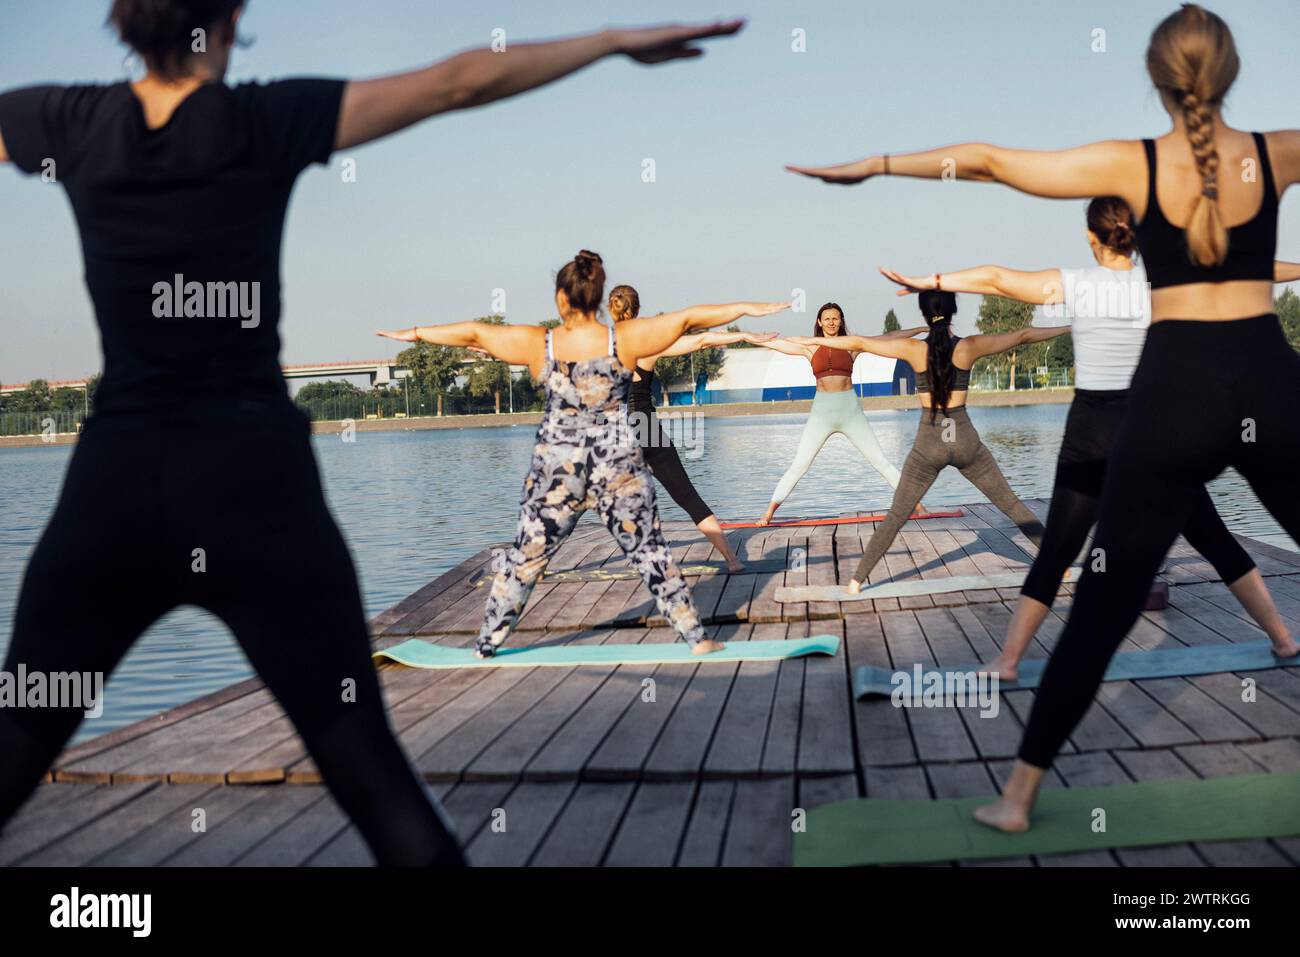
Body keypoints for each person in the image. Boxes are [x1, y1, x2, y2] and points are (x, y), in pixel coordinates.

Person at [0, 0, 744, 865]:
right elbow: (457, 80)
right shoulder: (266, 117)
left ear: (123, 19)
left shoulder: (69, 120)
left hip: (115, 486)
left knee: (19, 737)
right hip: (256, 487)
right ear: (232, 15)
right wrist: (610, 41)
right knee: (371, 771)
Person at [789, 3, 1300, 831]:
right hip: (1274, 386)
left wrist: (877, 164)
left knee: (1099, 610)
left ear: (1157, 79)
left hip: (1171, 399)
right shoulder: (1277, 152)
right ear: (1231, 74)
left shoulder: (1131, 165)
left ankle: (1020, 796)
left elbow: (990, 163)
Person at [881, 199, 1300, 678]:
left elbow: (997, 278)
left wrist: (930, 281)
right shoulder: (1164, 280)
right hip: (1153, 425)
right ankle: (1284, 638)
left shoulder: (1075, 284)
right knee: (1212, 535)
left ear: (1090, 237)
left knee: (1058, 547)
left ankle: (1009, 660)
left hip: (1092, 431)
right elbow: (1248, 271)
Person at [379, 252, 789, 658]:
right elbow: (690, 319)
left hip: (558, 471)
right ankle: (697, 639)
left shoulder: (539, 342)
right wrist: (747, 308)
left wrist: (415, 333)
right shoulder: (625, 339)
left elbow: (473, 333)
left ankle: (486, 645)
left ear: (561, 299)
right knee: (650, 552)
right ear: (598, 298)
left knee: (526, 558)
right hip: (617, 466)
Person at [789, 292, 1058, 590]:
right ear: (953, 312)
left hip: (930, 442)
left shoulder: (914, 350)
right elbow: (1023, 334)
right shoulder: (969, 346)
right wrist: (1072, 328)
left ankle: (856, 581)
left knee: (897, 515)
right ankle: (1057, 565)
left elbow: (858, 343)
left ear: (924, 316)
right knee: (1010, 504)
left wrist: (816, 341)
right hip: (963, 438)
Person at [609, 284, 776, 571]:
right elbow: (702, 341)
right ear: (637, 309)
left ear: (610, 311)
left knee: (588, 497)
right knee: (688, 497)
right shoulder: (651, 344)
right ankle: (733, 561)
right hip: (647, 428)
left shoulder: (597, 346)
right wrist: (745, 335)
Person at [754, 303, 928, 526]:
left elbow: (889, 337)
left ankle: (918, 506)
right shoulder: (810, 347)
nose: (831, 322)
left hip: (850, 411)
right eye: (827, 319)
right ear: (819, 322)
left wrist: (919, 330)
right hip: (822, 413)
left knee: (880, 461)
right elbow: (775, 343)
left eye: (835, 318)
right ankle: (768, 513)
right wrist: (743, 337)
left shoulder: (852, 346)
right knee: (800, 464)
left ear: (841, 321)